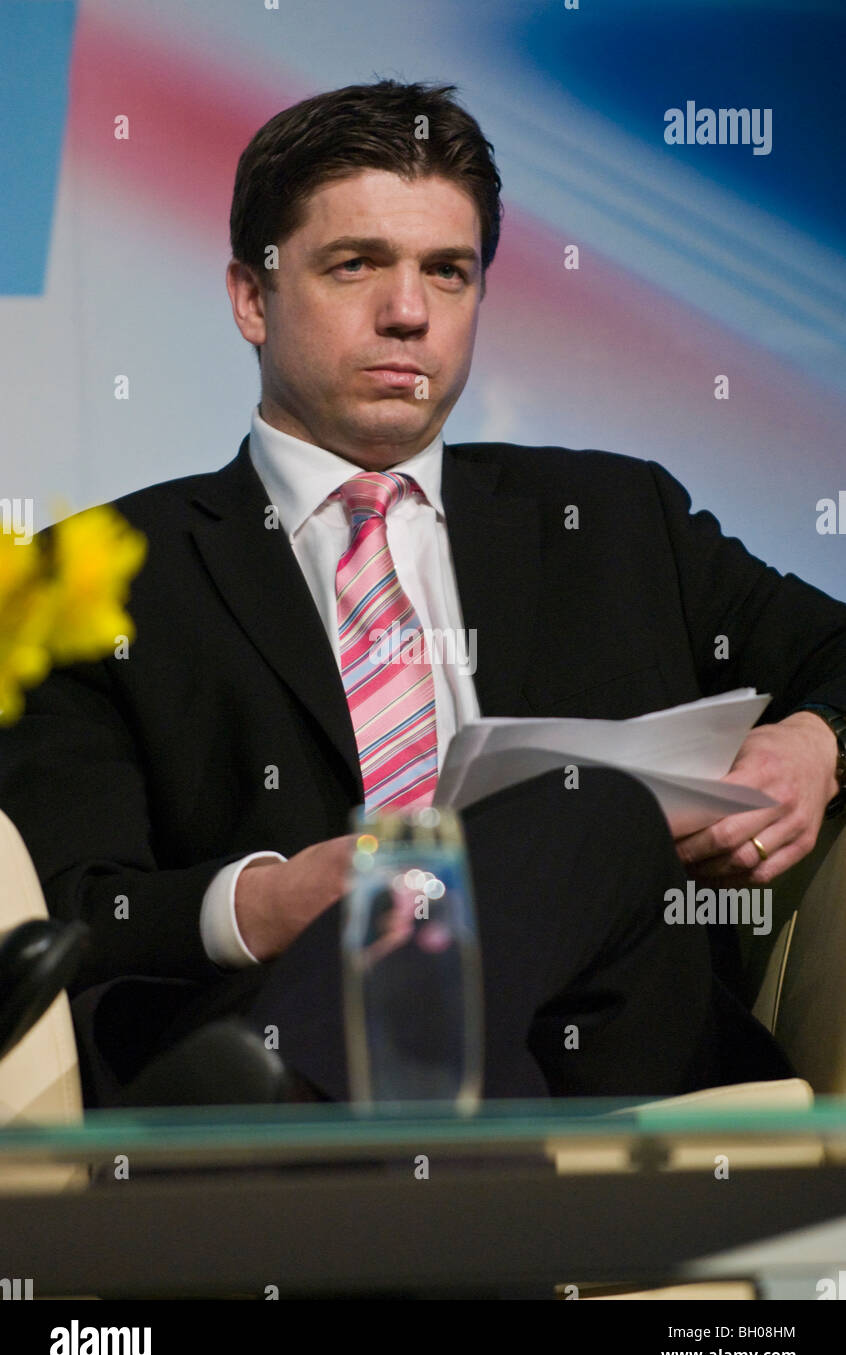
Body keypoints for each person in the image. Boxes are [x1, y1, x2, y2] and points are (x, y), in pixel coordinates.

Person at [2, 80, 845, 1104]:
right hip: (285, 1044)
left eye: (448, 272)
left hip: (612, 1057)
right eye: (356, 264)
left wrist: (814, 743)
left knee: (595, 806)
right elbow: (67, 907)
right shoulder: (104, 573)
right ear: (251, 296)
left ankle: (347, 1109)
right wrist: (265, 901)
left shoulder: (621, 518)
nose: (409, 312)